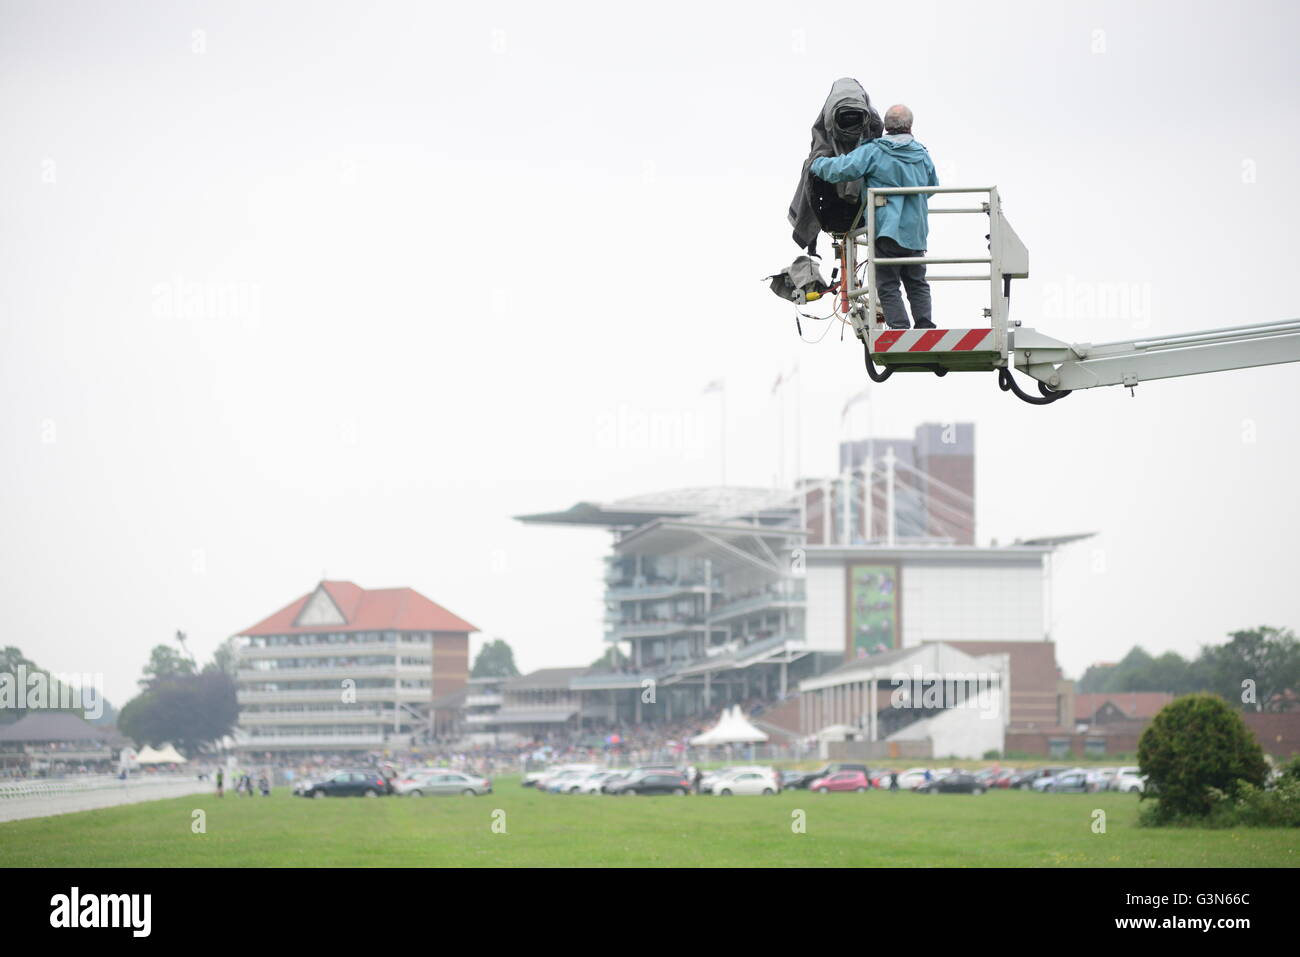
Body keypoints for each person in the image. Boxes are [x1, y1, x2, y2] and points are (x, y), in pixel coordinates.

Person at [810, 104, 938, 330]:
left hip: (886, 230)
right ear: (910, 125)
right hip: (916, 232)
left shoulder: (875, 151)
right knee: (917, 282)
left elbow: (842, 168)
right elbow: (932, 187)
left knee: (888, 283)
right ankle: (925, 326)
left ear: (886, 127)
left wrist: (816, 163)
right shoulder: (922, 155)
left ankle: (899, 328)